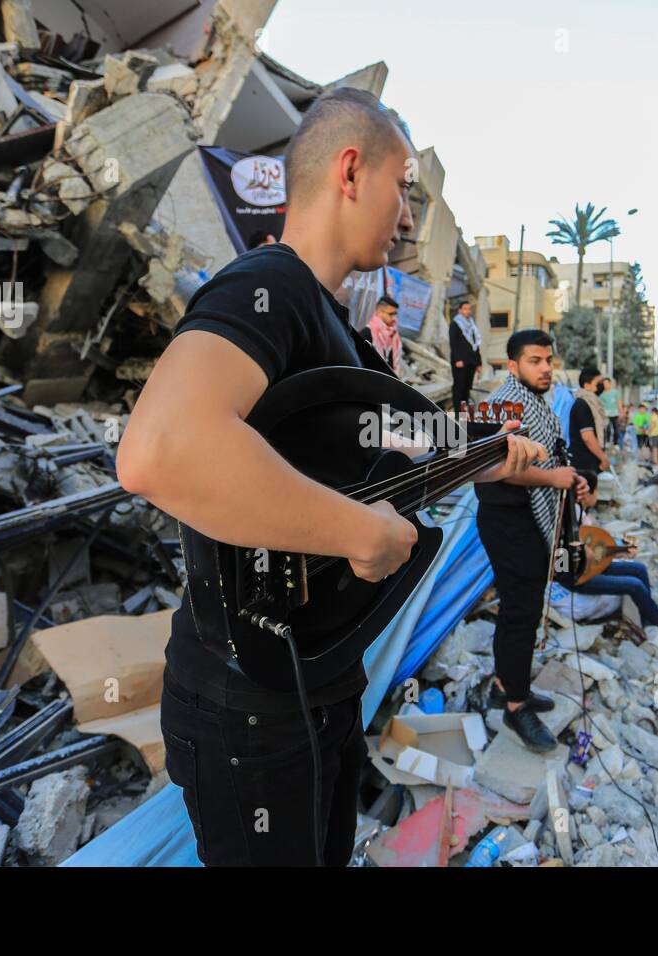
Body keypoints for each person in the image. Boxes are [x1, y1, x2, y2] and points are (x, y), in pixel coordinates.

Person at [118, 87, 543, 867]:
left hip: (317, 684)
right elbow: (161, 449)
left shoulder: (334, 322)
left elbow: (375, 448)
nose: (409, 217)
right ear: (351, 171)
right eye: (402, 188)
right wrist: (358, 532)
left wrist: (486, 447)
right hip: (253, 705)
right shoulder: (268, 289)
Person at [475, 330, 588, 754]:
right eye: (535, 361)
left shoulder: (536, 403)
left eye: (548, 360)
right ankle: (516, 706)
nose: (544, 368)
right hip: (509, 522)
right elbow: (495, 466)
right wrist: (552, 478)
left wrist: (568, 479)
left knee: (522, 608)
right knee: (520, 612)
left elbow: (553, 457)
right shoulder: (502, 404)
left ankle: (507, 685)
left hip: (530, 520)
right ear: (513, 366)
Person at [574, 539, 658, 630]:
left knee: (639, 568)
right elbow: (587, 555)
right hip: (576, 578)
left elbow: (589, 547)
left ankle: (646, 619)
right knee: (635, 585)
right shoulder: (560, 531)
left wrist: (620, 549)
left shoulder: (572, 525)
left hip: (588, 565)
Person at [569, 367, 611, 491]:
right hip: (583, 462)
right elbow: (587, 437)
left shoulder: (594, 403)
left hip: (591, 460)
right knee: (585, 498)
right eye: (598, 383)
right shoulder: (582, 404)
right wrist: (603, 458)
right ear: (587, 385)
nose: (602, 385)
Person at [449, 300, 482, 410]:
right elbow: (453, 343)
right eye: (465, 309)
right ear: (460, 310)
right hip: (460, 362)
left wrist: (479, 363)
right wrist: (457, 359)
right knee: (459, 386)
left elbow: (476, 345)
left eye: (469, 309)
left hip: (471, 361)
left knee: (467, 386)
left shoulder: (472, 325)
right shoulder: (455, 324)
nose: (468, 311)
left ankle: (464, 408)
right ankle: (458, 410)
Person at [358, 294, 401, 374]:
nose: (394, 318)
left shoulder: (394, 335)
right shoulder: (367, 333)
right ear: (379, 312)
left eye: (395, 314)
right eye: (391, 314)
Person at [600, 375, 625, 448]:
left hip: (615, 413)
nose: (605, 385)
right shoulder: (602, 394)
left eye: (607, 383)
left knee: (616, 429)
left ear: (610, 383)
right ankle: (607, 442)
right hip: (606, 414)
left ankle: (616, 443)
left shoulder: (616, 393)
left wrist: (621, 412)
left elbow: (619, 403)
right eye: (604, 384)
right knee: (607, 429)